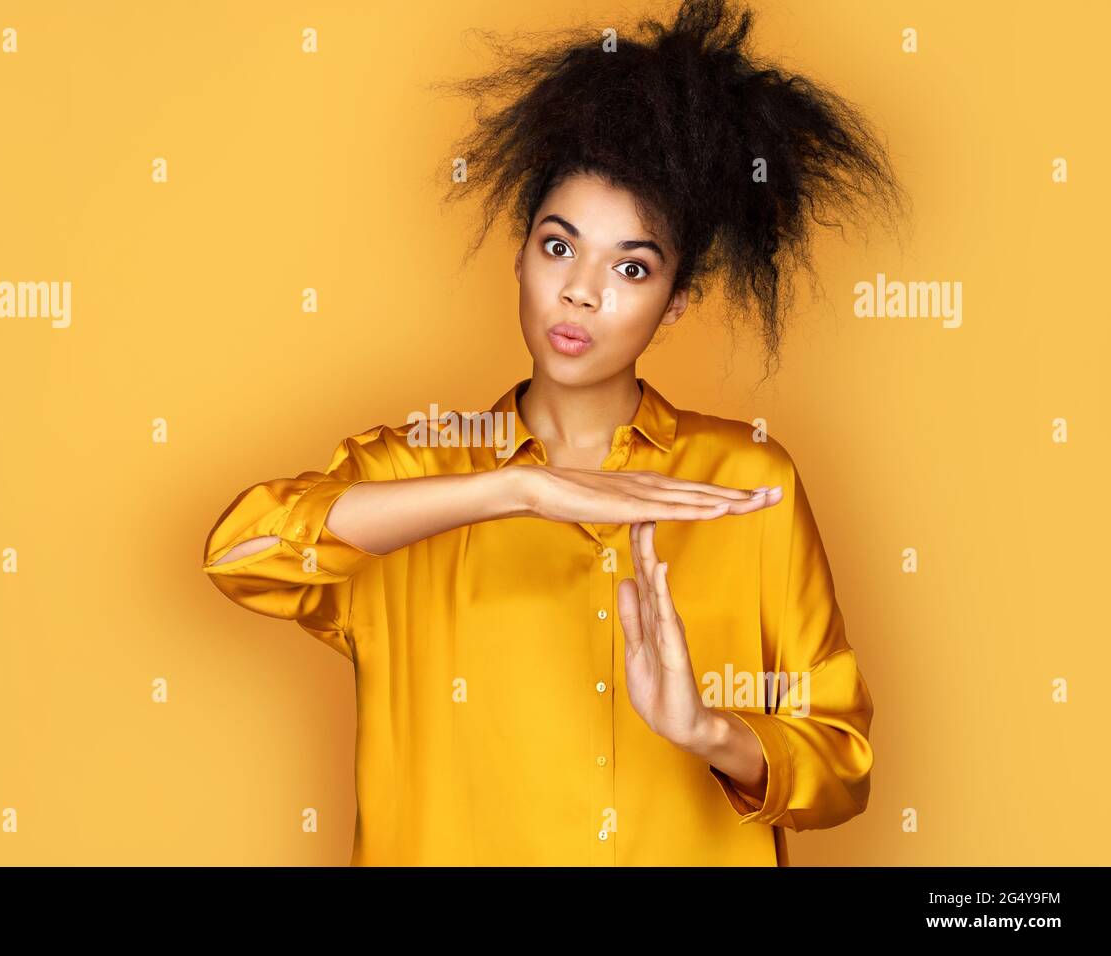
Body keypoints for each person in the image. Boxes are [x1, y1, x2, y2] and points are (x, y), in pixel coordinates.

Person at [202, 0, 905, 866]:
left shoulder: (747, 482)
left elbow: (841, 766)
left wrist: (708, 730)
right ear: (521, 256)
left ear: (675, 303)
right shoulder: (412, 470)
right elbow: (239, 556)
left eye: (632, 267)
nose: (581, 291)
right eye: (559, 246)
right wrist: (516, 489)